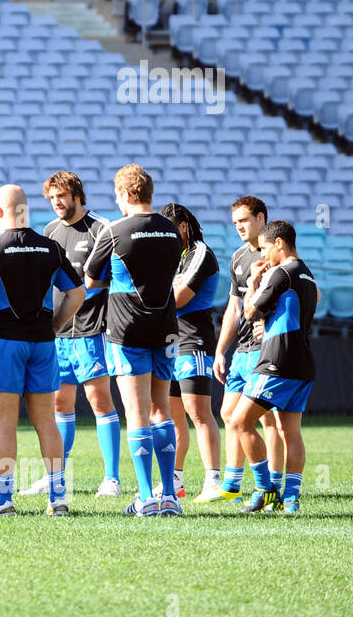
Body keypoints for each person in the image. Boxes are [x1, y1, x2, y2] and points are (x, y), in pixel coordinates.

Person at [0, 185, 85, 516]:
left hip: (3, 343)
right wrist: (55, 326)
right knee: (46, 420)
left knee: (4, 423)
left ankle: (3, 500)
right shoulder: (51, 247)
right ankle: (57, 498)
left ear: (0, 212)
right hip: (42, 343)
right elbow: (77, 292)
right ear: (26, 211)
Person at [83, 165, 184, 517]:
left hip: (128, 331)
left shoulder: (115, 230)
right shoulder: (172, 231)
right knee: (163, 409)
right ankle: (169, 495)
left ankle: (145, 497)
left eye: (116, 195)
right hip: (167, 327)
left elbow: (91, 280)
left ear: (125, 194)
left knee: (137, 413)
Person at [34, 171, 123, 497]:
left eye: (61, 196)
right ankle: (56, 475)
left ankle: (111, 478)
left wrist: (82, 295)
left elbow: (110, 281)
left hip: (91, 329)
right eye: (52, 198)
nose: (57, 203)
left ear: (76, 195)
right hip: (58, 332)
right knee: (60, 400)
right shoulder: (50, 231)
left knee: (100, 399)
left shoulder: (103, 228)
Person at [226, 221, 314, 514]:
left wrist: (252, 285)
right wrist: (271, 324)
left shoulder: (281, 273)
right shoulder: (308, 275)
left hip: (278, 362)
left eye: (265, 248)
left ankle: (265, 489)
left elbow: (249, 311)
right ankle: (291, 499)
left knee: (239, 422)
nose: (263, 255)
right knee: (291, 431)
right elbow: (291, 314)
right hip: (303, 364)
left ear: (279, 244)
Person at [208, 196, 286, 503]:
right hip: (241, 349)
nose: (240, 226)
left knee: (269, 419)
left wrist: (272, 327)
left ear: (261, 218)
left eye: (244, 220)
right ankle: (232, 485)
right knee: (228, 412)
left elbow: (304, 296)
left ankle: (273, 486)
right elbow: (234, 307)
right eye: (236, 222)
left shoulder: (278, 255)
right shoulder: (239, 257)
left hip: (267, 349)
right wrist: (220, 349)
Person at [160, 202, 222, 502]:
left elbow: (180, 298)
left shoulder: (201, 253)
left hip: (193, 340)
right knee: (172, 416)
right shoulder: (170, 255)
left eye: (172, 227)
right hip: (168, 341)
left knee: (198, 412)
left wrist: (144, 299)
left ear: (184, 226)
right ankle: (176, 481)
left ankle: (213, 480)